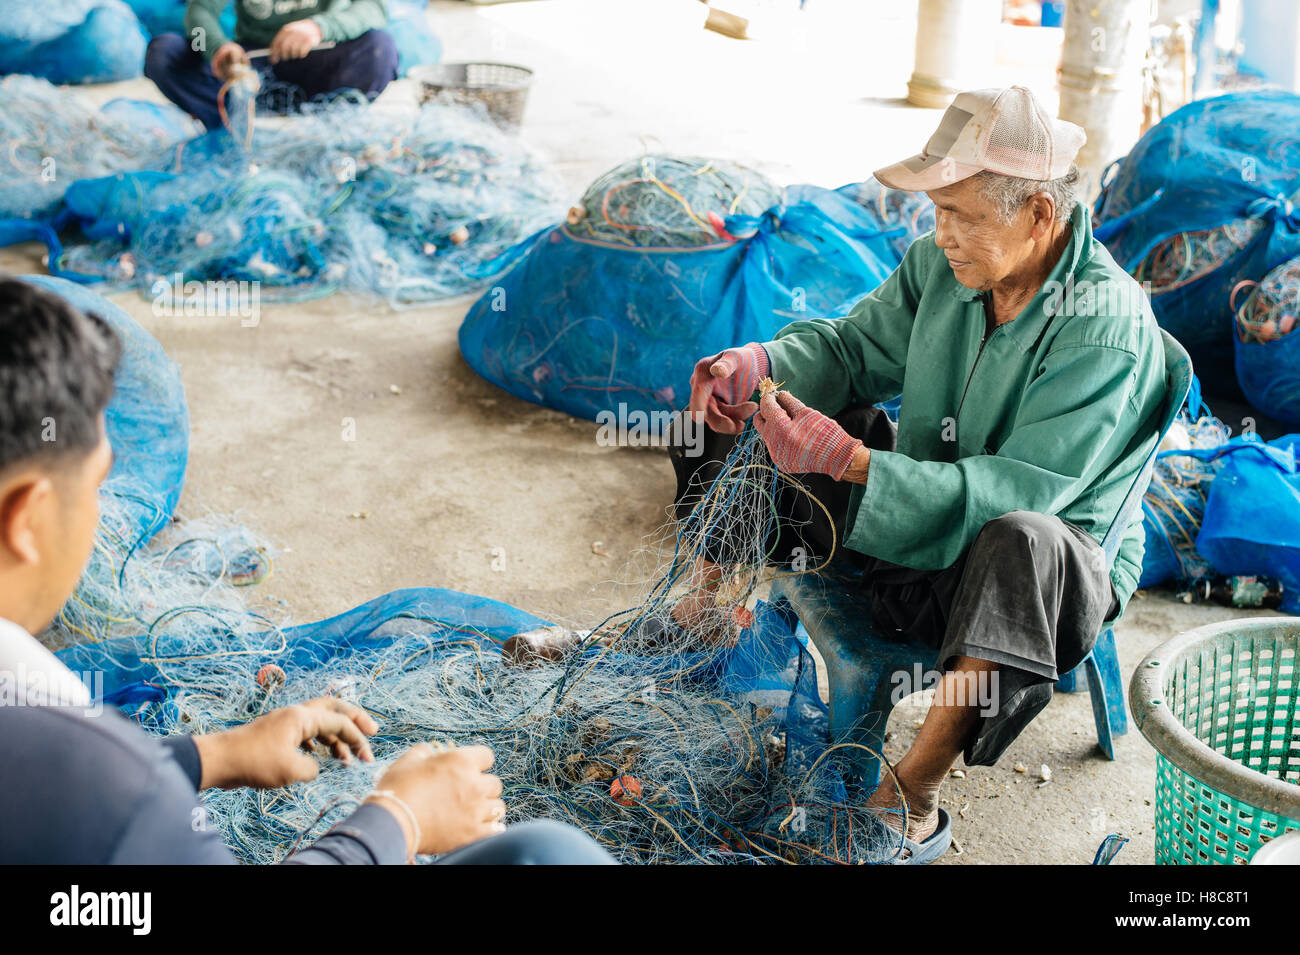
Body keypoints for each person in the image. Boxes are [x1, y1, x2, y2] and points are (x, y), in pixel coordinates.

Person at [674, 87, 1168, 862]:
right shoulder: (945, 265)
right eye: (936, 210)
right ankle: (695, 618)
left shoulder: (1104, 328)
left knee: (1022, 543)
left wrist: (859, 464)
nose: (942, 235)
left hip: (1040, 576)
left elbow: (1015, 494)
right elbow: (853, 348)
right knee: (743, 407)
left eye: (963, 214)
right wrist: (760, 364)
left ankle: (913, 791)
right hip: (920, 505)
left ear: (1040, 214)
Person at [0, 277, 613, 865]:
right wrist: (399, 819)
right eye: (98, 486)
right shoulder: (91, 770)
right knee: (550, 852)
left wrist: (209, 755)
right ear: (27, 517)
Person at [144, 0, 400, 131]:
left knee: (380, 47)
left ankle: (332, 124)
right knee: (164, 52)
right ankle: (228, 123)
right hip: (248, 69)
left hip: (322, 61)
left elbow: (373, 8)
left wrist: (319, 27)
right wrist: (216, 48)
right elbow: (198, 13)